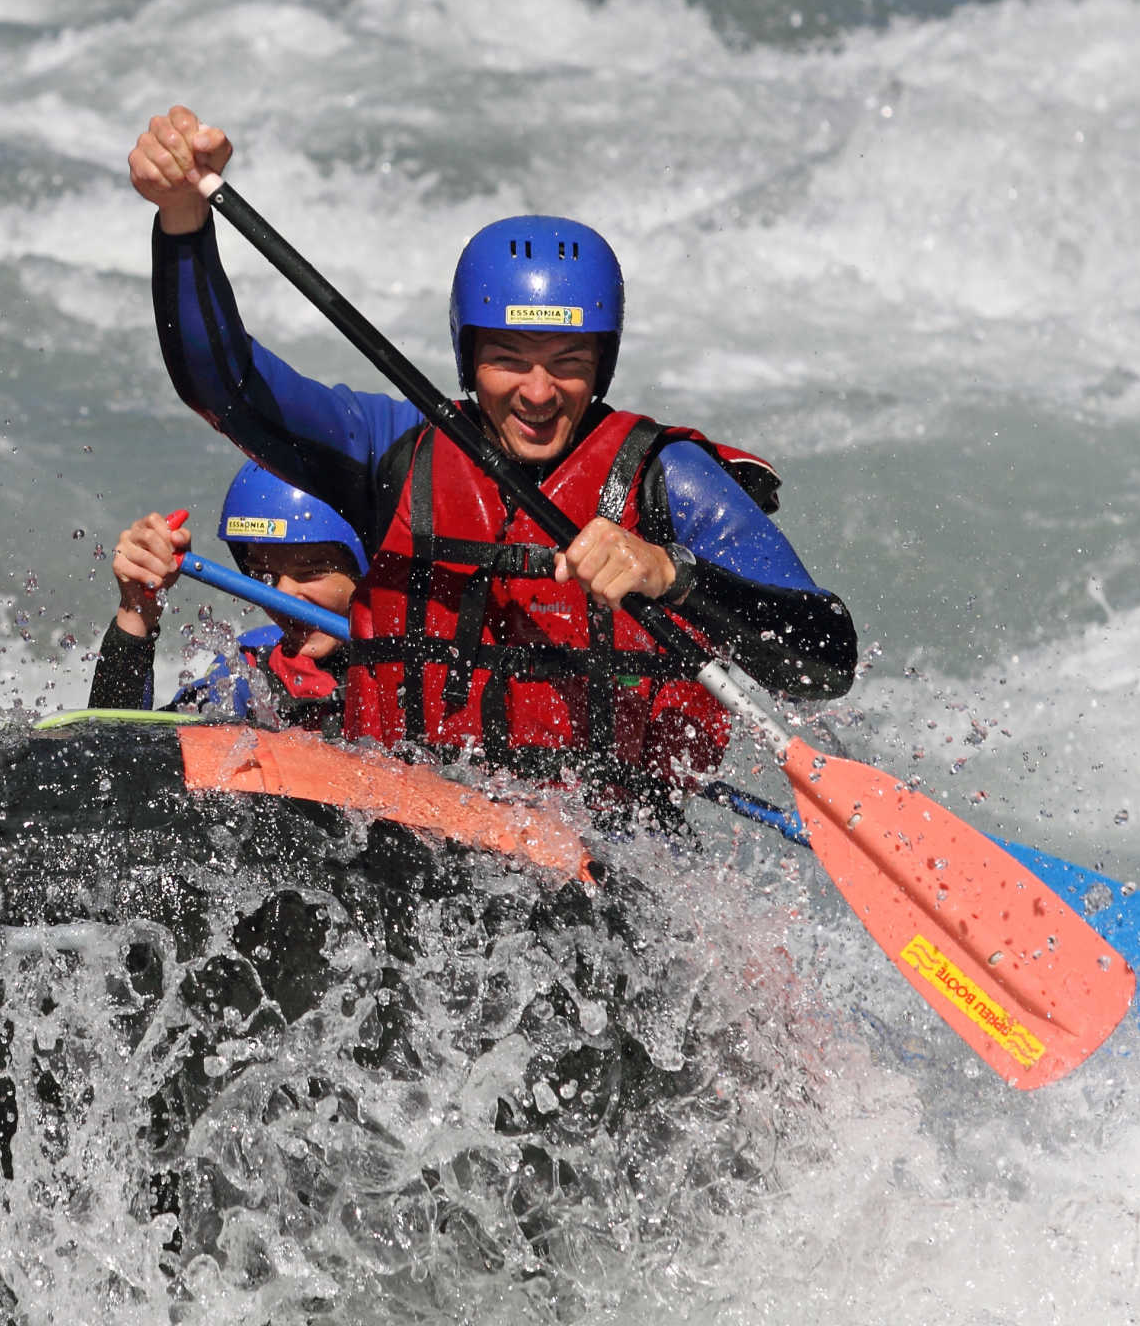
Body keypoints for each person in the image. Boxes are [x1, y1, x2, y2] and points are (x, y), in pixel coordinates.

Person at [128, 106, 857, 819]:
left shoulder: (671, 480)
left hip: (607, 853)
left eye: (567, 364)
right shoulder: (394, 451)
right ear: (468, 358)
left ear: (601, 365)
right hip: (399, 823)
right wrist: (183, 222)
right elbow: (226, 387)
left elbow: (826, 661)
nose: (538, 393)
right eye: (509, 361)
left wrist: (674, 576)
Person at [88, 462, 361, 732]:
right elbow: (113, 756)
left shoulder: (403, 669)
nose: (282, 595)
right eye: (265, 575)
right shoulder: (248, 674)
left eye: (310, 571)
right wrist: (137, 613)